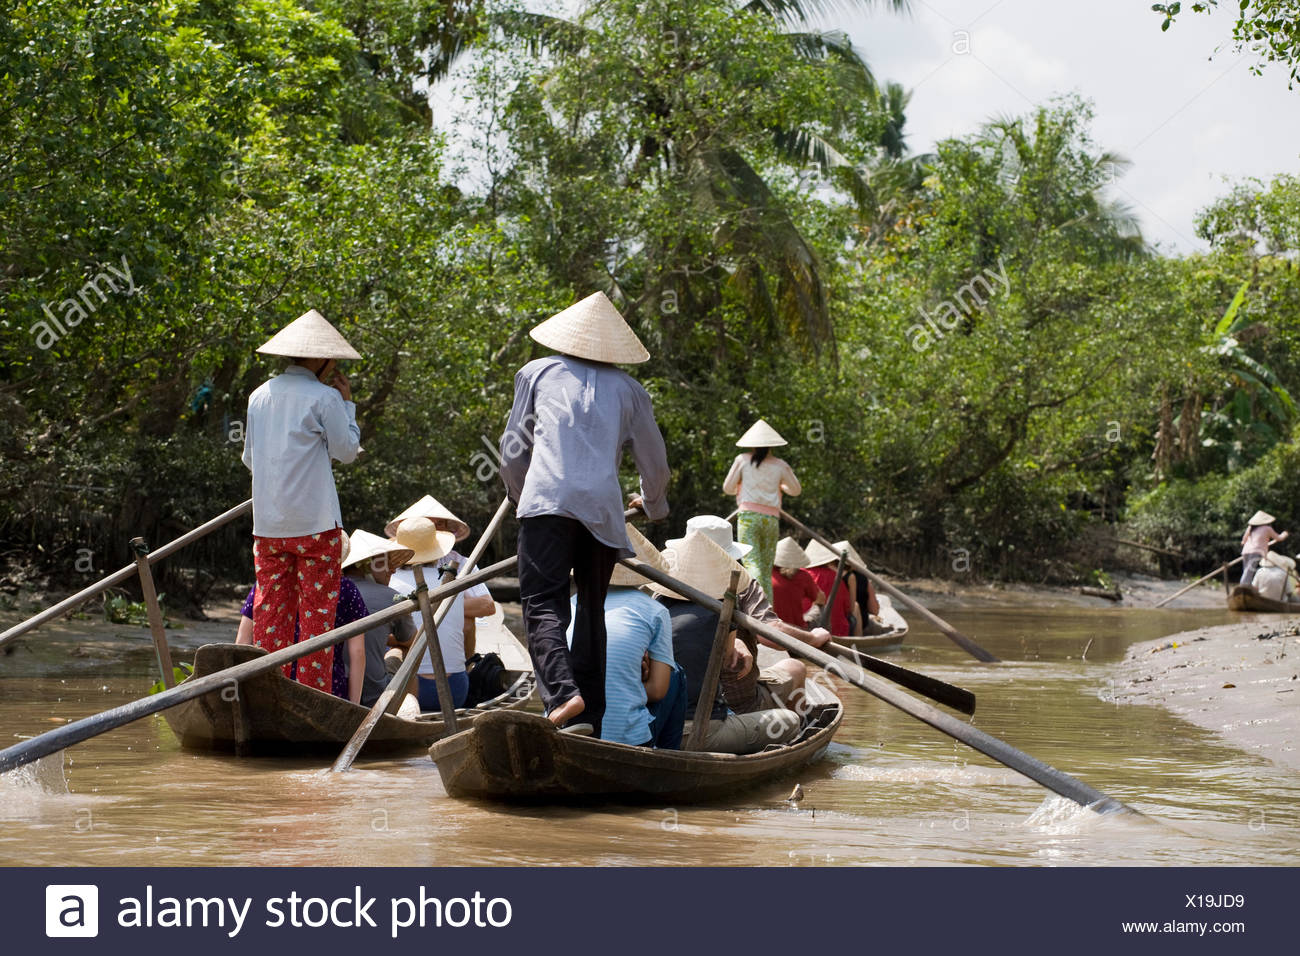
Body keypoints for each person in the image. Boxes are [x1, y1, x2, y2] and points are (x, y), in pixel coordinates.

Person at [499, 291, 671, 735]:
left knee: (542, 603)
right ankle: (590, 716)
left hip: (546, 507)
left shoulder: (536, 372)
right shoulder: (631, 390)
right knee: (592, 610)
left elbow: (511, 452)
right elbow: (655, 463)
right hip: (601, 512)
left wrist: (525, 499)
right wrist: (653, 506)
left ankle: (562, 694)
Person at [241, 309, 361, 691]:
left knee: (270, 614)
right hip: (316, 526)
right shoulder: (326, 397)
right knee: (317, 618)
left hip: (269, 528)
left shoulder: (258, 396)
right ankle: (310, 695)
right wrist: (347, 405)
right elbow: (347, 451)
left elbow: (249, 458)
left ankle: (269, 690)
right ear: (322, 360)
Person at [651, 532, 802, 754]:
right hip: (701, 731)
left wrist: (737, 640)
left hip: (654, 728)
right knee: (792, 720)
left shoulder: (655, 602)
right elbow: (729, 656)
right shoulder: (725, 604)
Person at [566, 524, 679, 747]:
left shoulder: (569, 604)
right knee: (678, 675)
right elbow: (657, 690)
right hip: (626, 738)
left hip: (566, 728)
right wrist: (630, 685)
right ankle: (671, 752)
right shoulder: (655, 611)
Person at [235, 534, 368, 702]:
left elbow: (242, 641)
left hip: (269, 688)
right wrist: (353, 705)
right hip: (327, 692)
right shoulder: (346, 588)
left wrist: (242, 693)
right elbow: (357, 652)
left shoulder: (267, 586)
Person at [388, 516, 492, 712]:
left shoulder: (391, 582)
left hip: (411, 691)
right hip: (456, 690)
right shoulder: (452, 583)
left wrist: (395, 642)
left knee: (389, 645)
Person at [722, 419, 802, 602]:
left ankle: (757, 605)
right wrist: (780, 486)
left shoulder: (742, 460)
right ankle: (768, 608)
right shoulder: (780, 465)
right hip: (771, 520)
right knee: (766, 568)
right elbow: (796, 490)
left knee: (751, 562)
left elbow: (728, 488)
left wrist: (740, 488)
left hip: (748, 517)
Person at [341, 529, 417, 709]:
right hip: (372, 696)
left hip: (334, 688)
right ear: (367, 565)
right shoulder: (391, 597)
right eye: (386, 563)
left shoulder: (329, 592)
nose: (393, 569)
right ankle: (409, 713)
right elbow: (413, 641)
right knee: (404, 651)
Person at [770, 536, 825, 628]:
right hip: (797, 628)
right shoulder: (803, 576)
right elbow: (821, 599)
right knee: (822, 608)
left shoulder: (766, 575)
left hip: (769, 627)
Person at [803, 540, 855, 637]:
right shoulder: (836, 577)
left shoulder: (801, 574)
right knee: (853, 619)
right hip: (837, 630)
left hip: (805, 627)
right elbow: (848, 609)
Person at [1240, 511, 1289, 586]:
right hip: (1257, 552)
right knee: (1249, 572)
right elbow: (1279, 538)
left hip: (1246, 551)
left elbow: (1243, 541)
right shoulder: (1267, 528)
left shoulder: (1251, 528)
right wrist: (1284, 534)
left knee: (1246, 571)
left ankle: (1247, 587)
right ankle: (1243, 588)